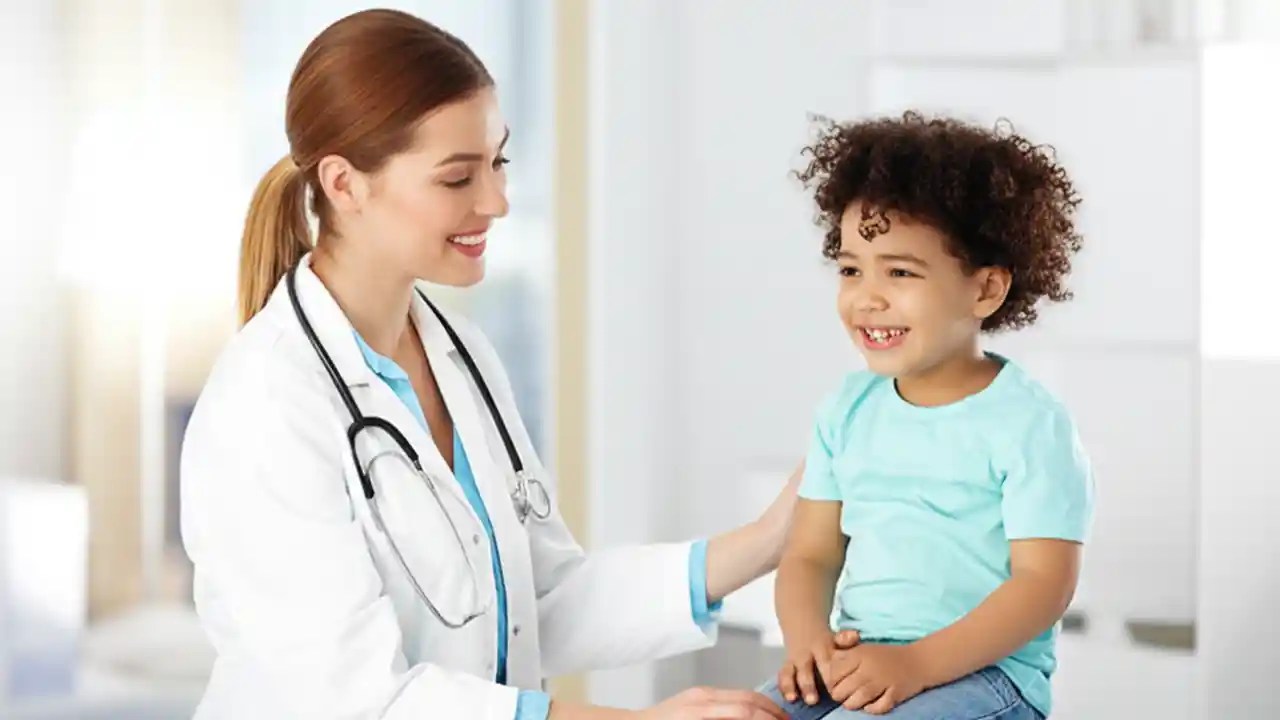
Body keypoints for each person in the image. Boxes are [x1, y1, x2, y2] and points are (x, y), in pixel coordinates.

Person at [180, 9, 797, 720]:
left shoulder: (460, 357)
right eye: (456, 178)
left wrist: (769, 539)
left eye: (498, 162)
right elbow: (355, 698)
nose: (497, 201)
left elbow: (539, 602)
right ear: (345, 185)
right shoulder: (266, 404)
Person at [759, 112, 1094, 719]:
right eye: (852, 269)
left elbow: (1044, 585)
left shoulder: (1029, 423)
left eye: (900, 272)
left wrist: (917, 665)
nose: (867, 296)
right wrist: (807, 641)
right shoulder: (846, 409)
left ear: (985, 291)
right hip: (862, 659)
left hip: (984, 676)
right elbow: (810, 554)